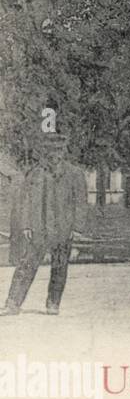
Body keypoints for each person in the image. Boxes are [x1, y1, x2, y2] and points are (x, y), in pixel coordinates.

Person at [3, 132, 88, 316]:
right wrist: (25, 225)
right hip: (38, 229)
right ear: (45, 151)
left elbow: (80, 203)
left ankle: (53, 303)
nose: (54, 154)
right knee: (26, 265)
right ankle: (12, 303)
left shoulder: (75, 174)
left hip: (63, 229)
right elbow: (25, 201)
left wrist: (78, 228)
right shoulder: (35, 173)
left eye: (58, 150)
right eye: (50, 150)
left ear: (63, 151)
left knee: (59, 266)